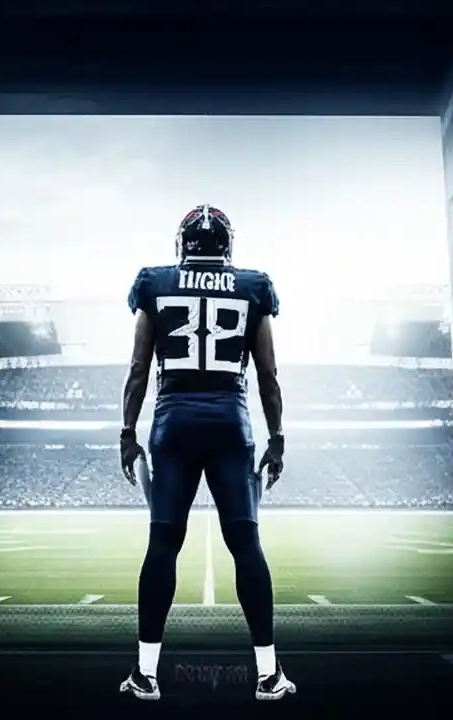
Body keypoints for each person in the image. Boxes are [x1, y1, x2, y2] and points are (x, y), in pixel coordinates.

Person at [117, 204, 295, 701]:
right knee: (245, 543)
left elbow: (137, 369)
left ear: (183, 245)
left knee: (163, 544)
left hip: (172, 420)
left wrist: (128, 432)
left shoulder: (154, 281)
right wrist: (277, 439)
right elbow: (268, 376)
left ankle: (146, 673)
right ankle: (268, 674)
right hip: (229, 421)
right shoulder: (253, 285)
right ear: (227, 246)